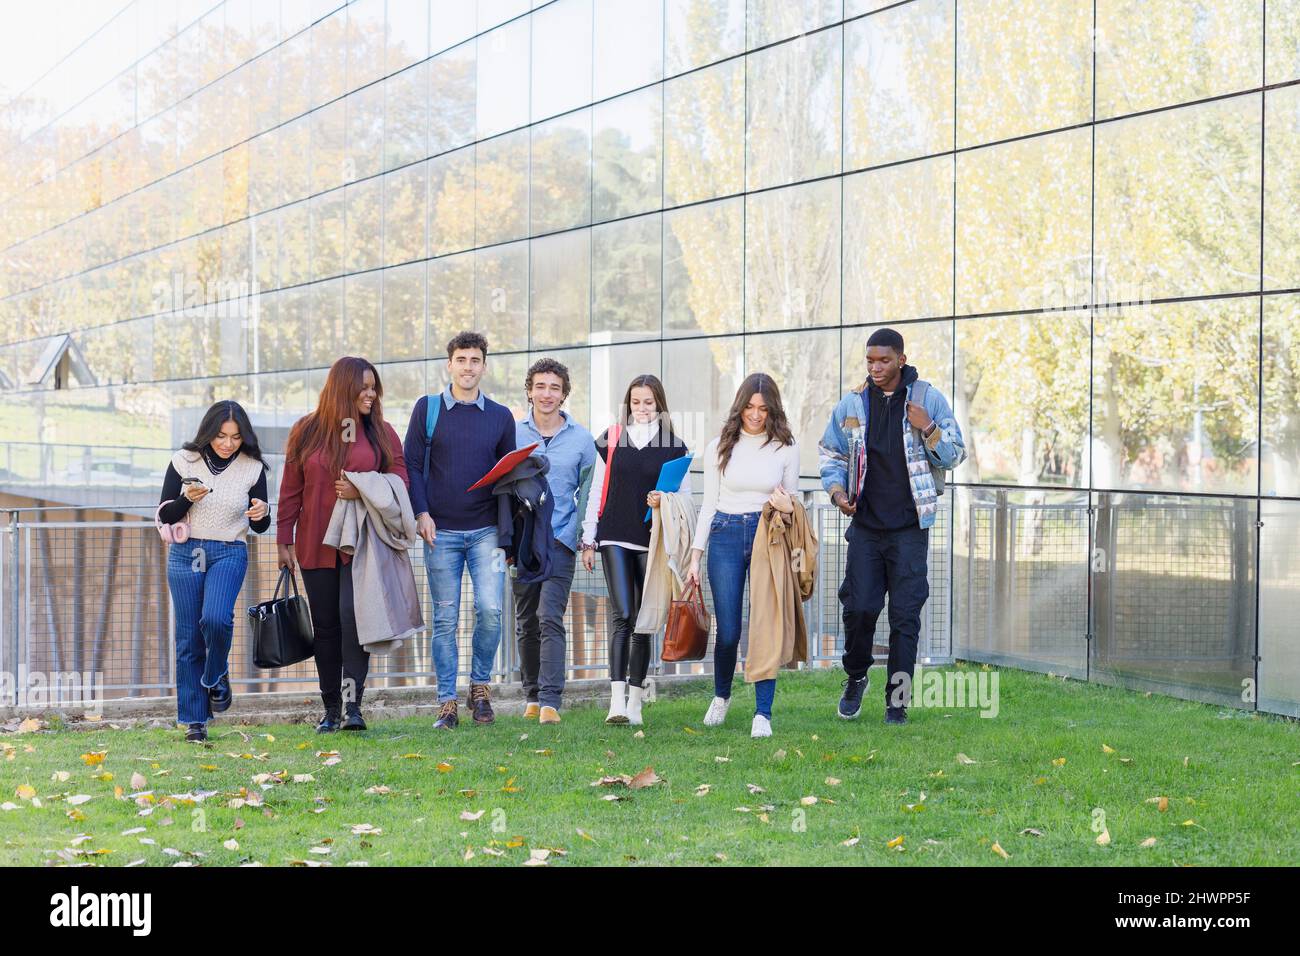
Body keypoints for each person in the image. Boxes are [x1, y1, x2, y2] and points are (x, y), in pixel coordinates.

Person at [819, 327, 966, 724]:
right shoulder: (853, 403)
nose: (876, 367)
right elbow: (831, 453)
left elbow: (955, 455)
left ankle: (897, 701)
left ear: (901, 359)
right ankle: (856, 676)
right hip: (865, 527)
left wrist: (930, 429)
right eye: (870, 361)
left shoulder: (926, 399)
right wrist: (836, 493)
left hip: (909, 530)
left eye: (884, 360)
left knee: (905, 618)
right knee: (861, 609)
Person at [277, 357, 409, 733]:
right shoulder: (306, 431)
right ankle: (330, 709)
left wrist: (362, 487)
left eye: (373, 388)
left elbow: (400, 478)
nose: (370, 394)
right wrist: (283, 538)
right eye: (363, 387)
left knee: (354, 620)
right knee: (327, 627)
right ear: (342, 388)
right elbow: (291, 489)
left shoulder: (382, 432)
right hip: (315, 544)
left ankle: (353, 708)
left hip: (362, 545)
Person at [402, 331, 516, 730]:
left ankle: (480, 687)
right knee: (446, 619)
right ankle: (447, 701)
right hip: (441, 532)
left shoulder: (501, 417)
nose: (468, 367)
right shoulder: (428, 409)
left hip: (486, 530)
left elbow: (508, 479)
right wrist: (421, 512)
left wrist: (508, 533)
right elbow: (411, 465)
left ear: (484, 366)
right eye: (461, 359)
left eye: (475, 360)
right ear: (449, 364)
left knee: (490, 609)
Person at [687, 373, 799, 738]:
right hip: (725, 533)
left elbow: (792, 502)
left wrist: (787, 505)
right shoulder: (720, 445)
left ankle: (762, 714)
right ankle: (721, 696)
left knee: (765, 625)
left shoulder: (785, 447)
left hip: (769, 535)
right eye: (750, 407)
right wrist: (695, 555)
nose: (755, 415)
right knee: (730, 629)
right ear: (740, 406)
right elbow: (708, 505)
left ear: (773, 411)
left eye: (763, 409)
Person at [580, 374, 690, 726]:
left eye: (648, 402)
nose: (641, 408)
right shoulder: (610, 438)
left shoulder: (674, 446)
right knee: (623, 614)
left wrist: (664, 499)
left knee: (644, 621)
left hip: (651, 539)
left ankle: (636, 702)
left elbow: (684, 498)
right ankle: (616, 702)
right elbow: (597, 489)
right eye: (635, 402)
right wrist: (588, 537)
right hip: (613, 535)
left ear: (659, 404)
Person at [159, 400, 270, 742]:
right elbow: (166, 515)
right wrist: (188, 498)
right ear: (209, 433)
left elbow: (262, 525)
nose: (227, 443)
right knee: (189, 637)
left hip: (228, 551)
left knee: (217, 618)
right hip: (186, 552)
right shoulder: (184, 461)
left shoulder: (253, 468)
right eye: (222, 436)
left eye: (235, 437)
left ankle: (217, 672)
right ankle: (196, 721)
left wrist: (263, 513)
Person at [513, 359, 595, 724]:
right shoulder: (512, 434)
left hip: (561, 540)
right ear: (529, 390)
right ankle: (531, 694)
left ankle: (550, 701)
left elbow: (592, 490)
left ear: (564, 394)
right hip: (523, 542)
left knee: (550, 616)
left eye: (555, 388)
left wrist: (585, 538)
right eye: (541, 386)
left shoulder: (581, 439)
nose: (547, 394)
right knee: (526, 620)